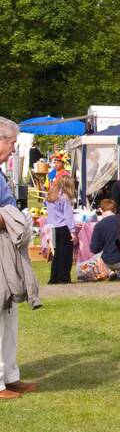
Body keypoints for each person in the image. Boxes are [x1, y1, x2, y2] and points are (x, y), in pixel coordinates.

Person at [0, 117, 38, 400]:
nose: (14, 149)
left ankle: (10, 376)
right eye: (12, 143)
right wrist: (15, 221)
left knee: (9, 313)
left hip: (7, 248)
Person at [45, 173, 77, 285]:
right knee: (66, 255)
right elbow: (68, 215)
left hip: (53, 227)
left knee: (57, 254)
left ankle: (54, 278)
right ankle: (63, 278)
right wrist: (73, 231)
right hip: (63, 227)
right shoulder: (65, 197)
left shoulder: (50, 196)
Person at [89, 198, 120, 278]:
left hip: (108, 260)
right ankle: (119, 272)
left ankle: (110, 272)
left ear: (101, 210)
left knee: (99, 258)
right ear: (115, 210)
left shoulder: (99, 225)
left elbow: (94, 249)